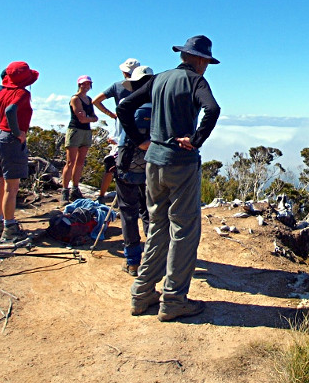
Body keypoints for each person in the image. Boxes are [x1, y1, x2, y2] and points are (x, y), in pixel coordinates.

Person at [118, 36, 220, 321]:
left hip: (153, 163)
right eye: (207, 63)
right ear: (200, 60)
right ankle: (174, 299)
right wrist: (196, 140)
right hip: (181, 163)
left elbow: (124, 107)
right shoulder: (196, 81)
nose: (206, 68)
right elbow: (212, 109)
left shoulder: (159, 79)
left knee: (158, 225)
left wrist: (140, 140)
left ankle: (142, 293)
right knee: (184, 231)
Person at [0, 61, 39, 242]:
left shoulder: (2, 92)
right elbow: (11, 110)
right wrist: (17, 132)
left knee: (0, 185)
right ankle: (9, 228)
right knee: (12, 188)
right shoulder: (22, 93)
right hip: (10, 140)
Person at [112, 64, 153, 274]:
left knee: (128, 212)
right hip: (151, 168)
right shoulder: (159, 107)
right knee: (149, 211)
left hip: (127, 165)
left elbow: (121, 135)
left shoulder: (126, 104)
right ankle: (154, 257)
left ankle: (132, 261)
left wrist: (136, 141)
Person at [92, 58, 141, 199]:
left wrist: (113, 115)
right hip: (141, 129)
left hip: (121, 127)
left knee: (114, 161)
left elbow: (96, 101)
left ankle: (102, 195)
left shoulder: (117, 86)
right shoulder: (145, 86)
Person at [60, 75, 98, 203]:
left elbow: (93, 117)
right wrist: (89, 118)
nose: (86, 86)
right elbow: (81, 117)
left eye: (88, 84)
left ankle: (75, 189)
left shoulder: (89, 99)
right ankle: (65, 191)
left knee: (80, 162)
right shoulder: (75, 98)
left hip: (86, 131)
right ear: (79, 84)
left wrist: (88, 118)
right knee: (70, 162)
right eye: (84, 84)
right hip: (75, 130)